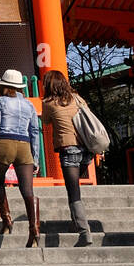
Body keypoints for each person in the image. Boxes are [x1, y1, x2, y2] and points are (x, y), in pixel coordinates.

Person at [0, 68, 42, 248]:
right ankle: (34, 230)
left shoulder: (0, 101)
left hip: (4, 143)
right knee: (28, 191)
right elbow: (35, 131)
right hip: (24, 145)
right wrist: (36, 158)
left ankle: (7, 219)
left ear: (3, 85)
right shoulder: (29, 105)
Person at [41, 70, 94, 247]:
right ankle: (75, 221)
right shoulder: (77, 98)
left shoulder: (48, 103)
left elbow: (46, 122)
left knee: (73, 192)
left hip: (69, 148)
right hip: (87, 149)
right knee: (75, 186)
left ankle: (84, 232)